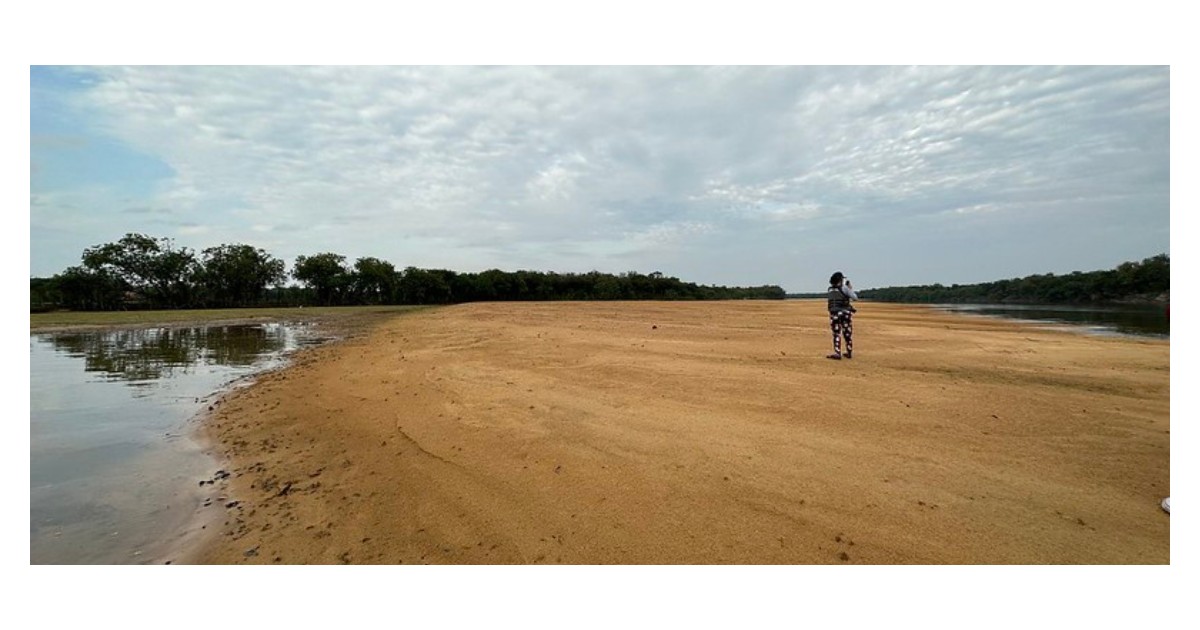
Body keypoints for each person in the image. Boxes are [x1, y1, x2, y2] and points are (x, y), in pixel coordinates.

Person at [826, 271, 857, 360]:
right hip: (845, 313)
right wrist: (850, 289)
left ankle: (837, 353)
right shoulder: (844, 288)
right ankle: (849, 352)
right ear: (840, 280)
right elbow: (855, 298)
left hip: (834, 314)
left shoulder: (830, 289)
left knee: (836, 333)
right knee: (847, 333)